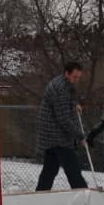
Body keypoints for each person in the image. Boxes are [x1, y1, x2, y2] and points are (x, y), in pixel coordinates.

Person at [35, 61, 89, 191]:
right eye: (75, 77)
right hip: (57, 136)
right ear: (67, 73)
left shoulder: (64, 83)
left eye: (78, 77)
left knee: (50, 170)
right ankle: (82, 195)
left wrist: (74, 104)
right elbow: (63, 119)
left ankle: (39, 195)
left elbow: (67, 101)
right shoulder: (61, 89)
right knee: (73, 170)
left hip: (51, 135)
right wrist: (80, 136)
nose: (77, 80)